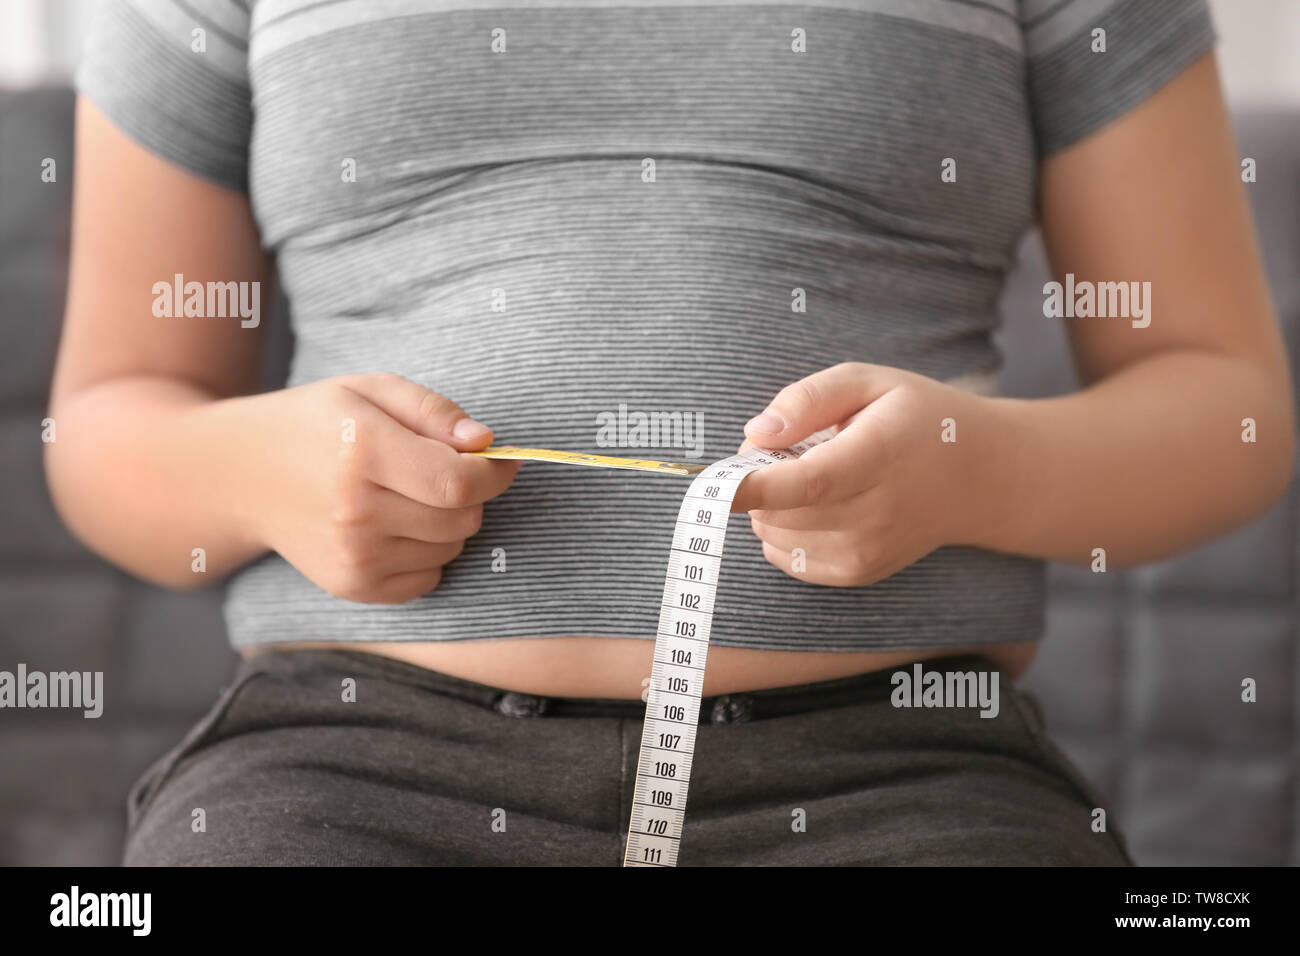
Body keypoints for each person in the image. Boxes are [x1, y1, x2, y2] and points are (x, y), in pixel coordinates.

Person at [47, 0, 1293, 865]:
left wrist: (974, 472)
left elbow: (1229, 410)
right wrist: (261, 475)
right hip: (343, 764)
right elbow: (107, 419)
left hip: (900, 769)